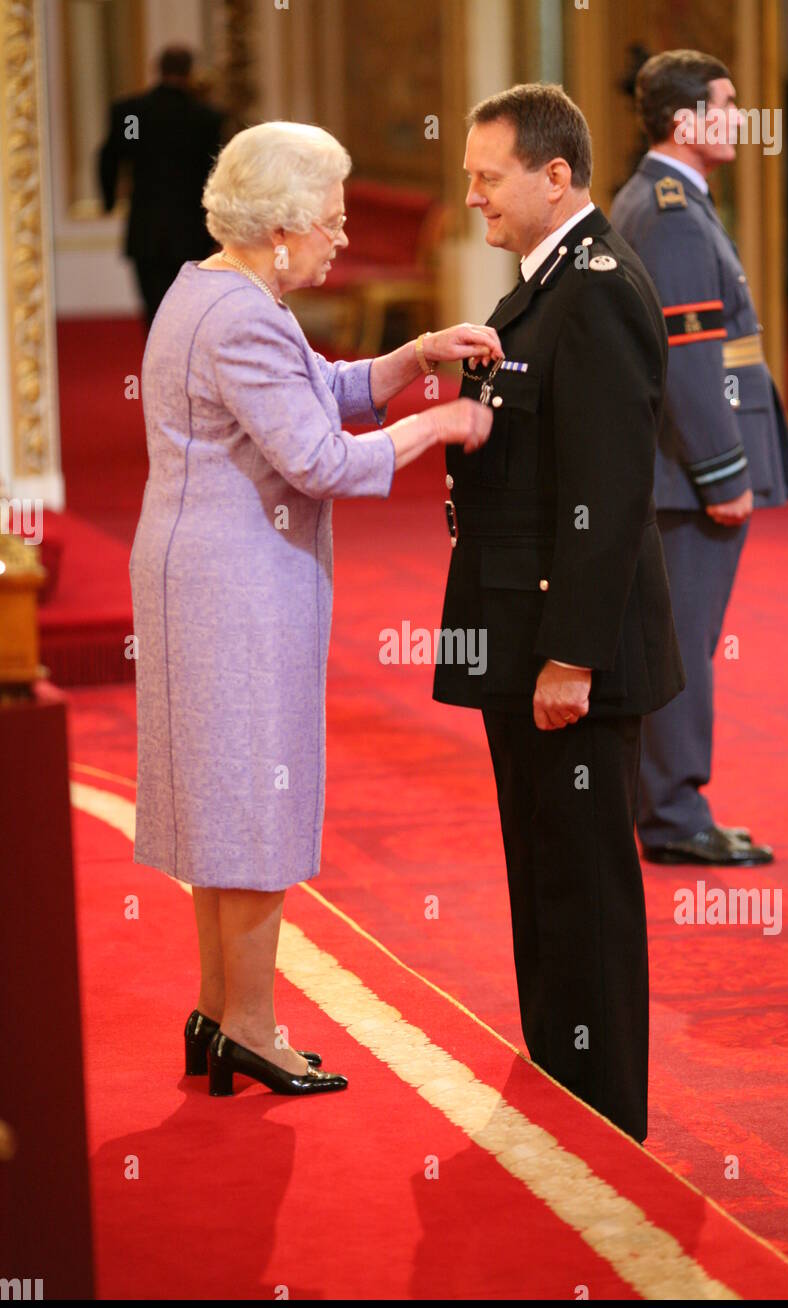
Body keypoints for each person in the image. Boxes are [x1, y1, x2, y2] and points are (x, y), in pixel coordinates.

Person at [129, 120, 498, 1099]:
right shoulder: (245, 314)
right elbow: (317, 457)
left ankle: (218, 1011)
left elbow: (317, 389)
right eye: (330, 222)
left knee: (222, 797)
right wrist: (442, 421)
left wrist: (416, 354)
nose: (341, 238)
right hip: (234, 584)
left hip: (201, 573)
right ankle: (250, 1024)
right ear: (283, 226)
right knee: (251, 799)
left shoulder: (212, 288)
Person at [432, 84, 685, 1145]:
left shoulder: (595, 288)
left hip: (564, 651)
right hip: (517, 632)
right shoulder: (541, 286)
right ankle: (556, 1086)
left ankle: (604, 1124)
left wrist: (571, 657)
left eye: (488, 177)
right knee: (538, 869)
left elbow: (612, 490)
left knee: (580, 886)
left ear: (554, 176)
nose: (474, 196)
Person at [610, 49, 788, 867]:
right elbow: (690, 364)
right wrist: (724, 475)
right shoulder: (674, 210)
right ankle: (675, 813)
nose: (739, 119)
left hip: (675, 471)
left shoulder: (659, 198)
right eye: (726, 106)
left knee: (673, 637)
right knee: (682, 642)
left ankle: (661, 803)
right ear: (685, 123)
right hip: (687, 477)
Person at [98, 45, 226, 326]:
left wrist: (108, 200)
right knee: (188, 305)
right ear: (190, 72)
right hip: (191, 229)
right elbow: (216, 174)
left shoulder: (133, 114)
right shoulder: (206, 117)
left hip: (146, 226)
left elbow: (114, 156)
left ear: (157, 68)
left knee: (153, 307)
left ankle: (157, 360)